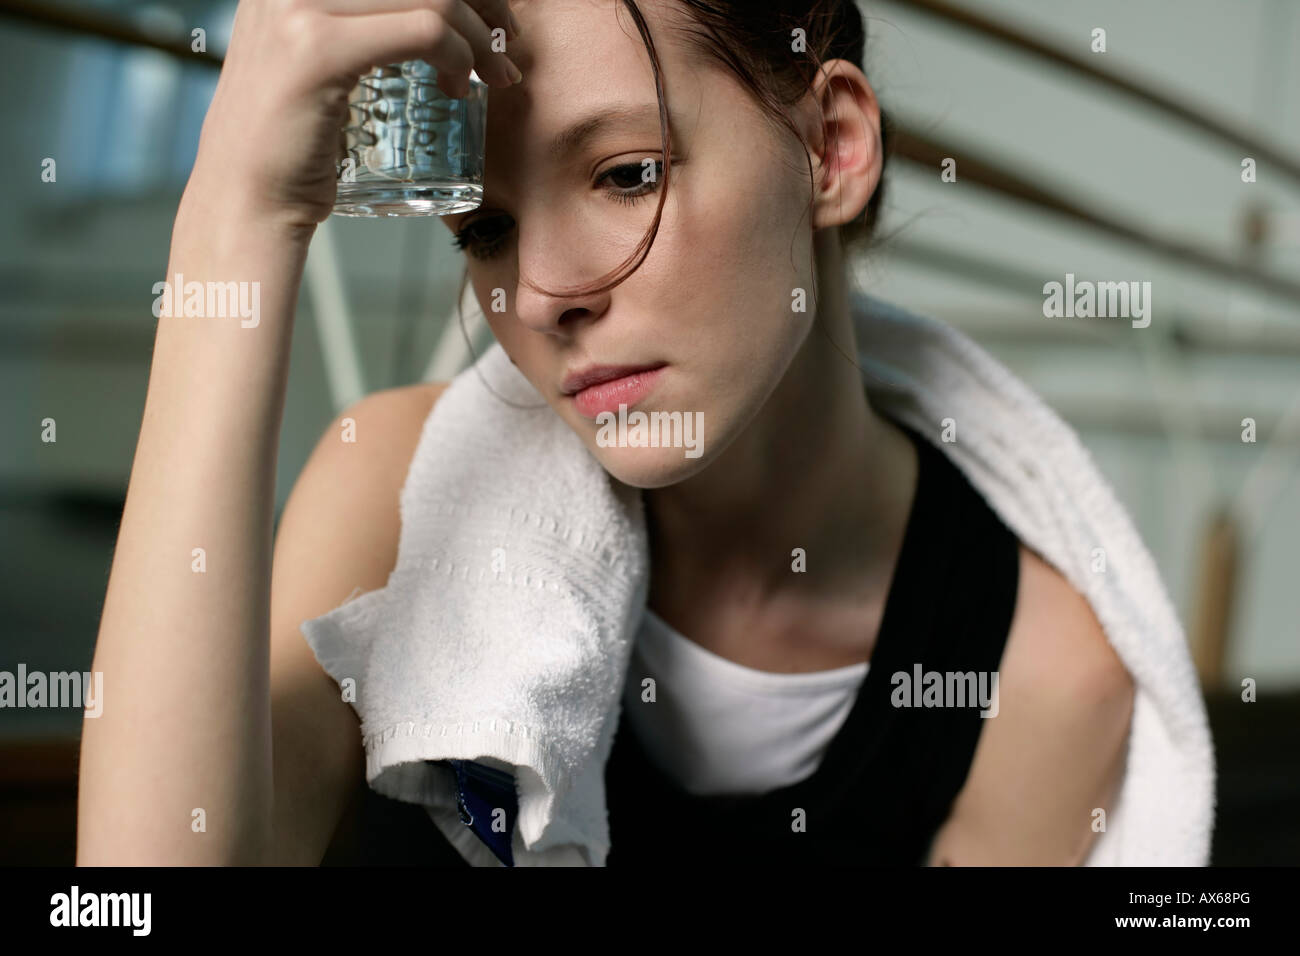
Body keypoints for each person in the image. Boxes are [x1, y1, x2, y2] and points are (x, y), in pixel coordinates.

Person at [78, 0, 1134, 866]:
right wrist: (240, 212)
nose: (541, 292)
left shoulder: (1033, 674)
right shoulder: (392, 498)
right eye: (484, 229)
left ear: (829, 146)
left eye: (626, 173)